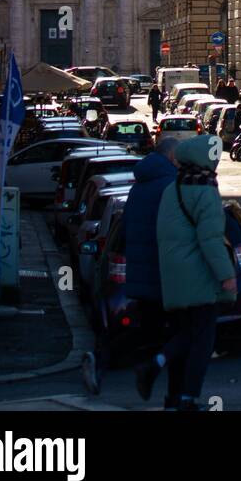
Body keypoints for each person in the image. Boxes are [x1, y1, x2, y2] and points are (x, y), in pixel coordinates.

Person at [136, 134, 237, 411]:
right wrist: (226, 276)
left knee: (185, 334)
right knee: (202, 342)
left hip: (173, 277)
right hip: (199, 277)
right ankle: (187, 398)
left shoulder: (174, 187)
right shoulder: (204, 189)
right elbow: (211, 238)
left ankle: (160, 374)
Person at [81, 136, 179, 398]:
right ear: (171, 158)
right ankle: (170, 389)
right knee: (184, 331)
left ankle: (104, 359)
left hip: (140, 274)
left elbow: (124, 231)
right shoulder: (170, 186)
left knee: (148, 330)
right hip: (165, 275)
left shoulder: (139, 188)